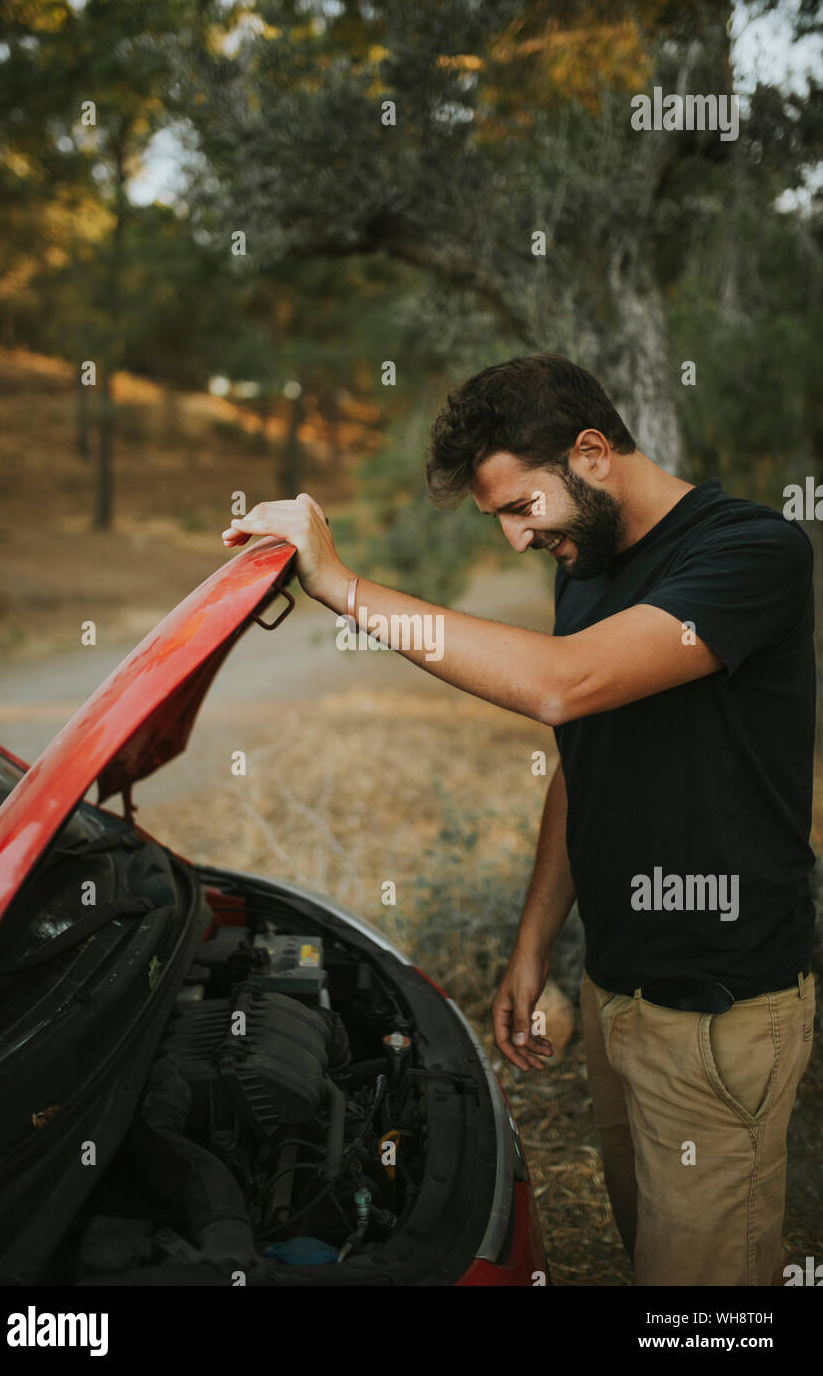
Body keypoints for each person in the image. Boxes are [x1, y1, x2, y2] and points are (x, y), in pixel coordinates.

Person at [222, 352, 816, 1287]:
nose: (514, 541)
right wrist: (535, 941)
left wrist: (341, 586)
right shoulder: (588, 560)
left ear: (591, 453)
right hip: (616, 990)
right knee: (650, 1256)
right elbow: (587, 755)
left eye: (518, 508)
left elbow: (561, 688)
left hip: (720, 1008)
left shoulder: (752, 554)